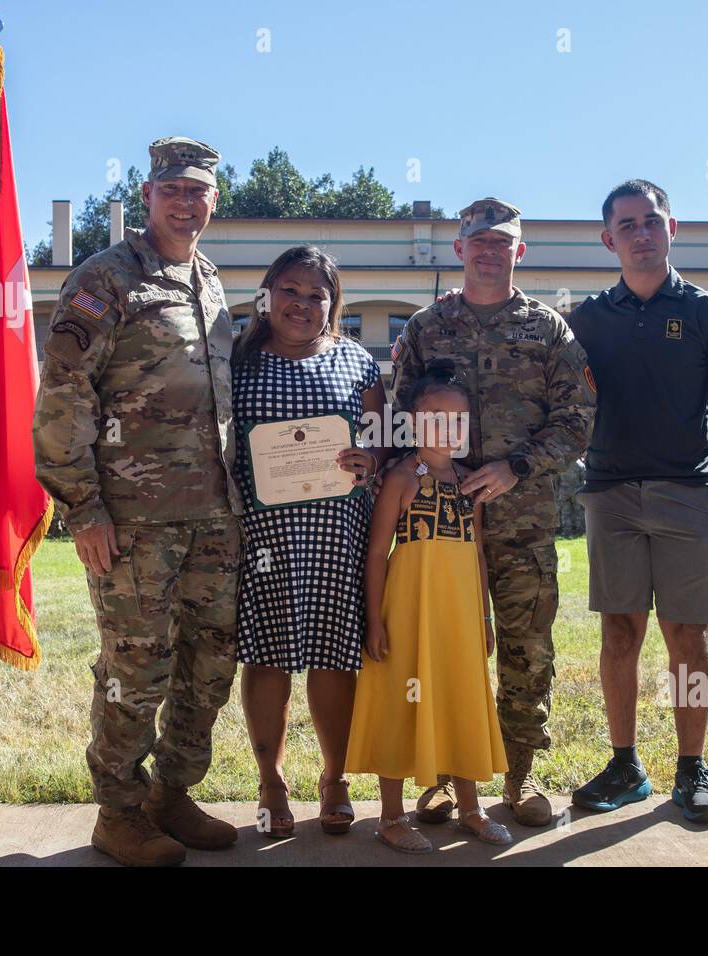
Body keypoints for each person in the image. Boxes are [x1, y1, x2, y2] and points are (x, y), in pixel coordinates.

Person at [33, 136, 243, 867]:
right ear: (148, 196)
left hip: (215, 516)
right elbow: (64, 394)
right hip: (132, 521)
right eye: (172, 190)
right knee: (137, 667)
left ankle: (173, 795)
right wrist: (82, 508)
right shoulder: (106, 278)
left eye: (199, 192)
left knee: (211, 662)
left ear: (215, 200)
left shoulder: (210, 281)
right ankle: (118, 811)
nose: (187, 203)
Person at [391, 197, 595, 828]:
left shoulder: (548, 330)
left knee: (526, 643)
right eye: (477, 241)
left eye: (501, 242)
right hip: (437, 520)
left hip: (521, 516)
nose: (488, 251)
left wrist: (517, 467)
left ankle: (519, 773)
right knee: (442, 644)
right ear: (460, 249)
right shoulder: (427, 328)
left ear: (519, 251)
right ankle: (445, 776)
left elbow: (578, 417)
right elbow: (400, 413)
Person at [567, 179, 708, 823]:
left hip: (687, 492)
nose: (641, 233)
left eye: (652, 222)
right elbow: (532, 368)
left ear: (671, 230)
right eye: (627, 225)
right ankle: (625, 764)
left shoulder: (707, 312)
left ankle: (692, 767)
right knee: (619, 632)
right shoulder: (587, 319)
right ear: (608, 240)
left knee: (689, 633)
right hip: (610, 493)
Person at [230, 245, 387, 839]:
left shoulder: (357, 361)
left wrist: (368, 458)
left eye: (316, 294)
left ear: (333, 303)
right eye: (290, 290)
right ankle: (270, 780)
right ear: (268, 296)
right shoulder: (236, 360)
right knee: (267, 654)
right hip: (262, 532)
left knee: (332, 653)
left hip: (337, 530)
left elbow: (380, 442)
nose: (302, 303)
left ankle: (335, 778)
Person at [346, 364, 511, 852]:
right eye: (434, 416)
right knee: (401, 697)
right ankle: (392, 816)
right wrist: (374, 619)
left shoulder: (471, 481)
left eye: (457, 418)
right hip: (409, 607)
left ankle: (471, 808)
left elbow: (477, 553)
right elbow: (377, 553)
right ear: (413, 423)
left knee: (462, 696)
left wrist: (484, 618)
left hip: (459, 613)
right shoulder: (398, 477)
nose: (446, 427)